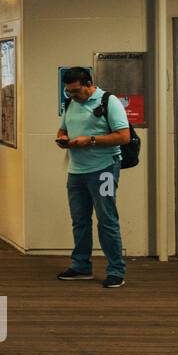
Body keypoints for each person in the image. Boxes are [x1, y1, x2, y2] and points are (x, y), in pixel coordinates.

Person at [54, 67, 131, 288]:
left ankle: (116, 270)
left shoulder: (109, 101)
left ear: (88, 84)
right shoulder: (71, 103)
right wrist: (63, 138)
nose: (72, 96)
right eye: (68, 92)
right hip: (76, 172)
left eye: (76, 91)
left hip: (104, 169)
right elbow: (63, 129)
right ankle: (81, 266)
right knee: (80, 221)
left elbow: (123, 136)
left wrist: (91, 140)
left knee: (107, 220)